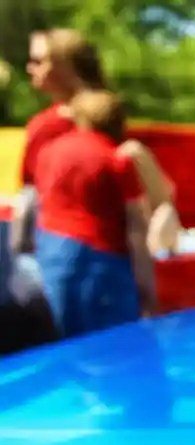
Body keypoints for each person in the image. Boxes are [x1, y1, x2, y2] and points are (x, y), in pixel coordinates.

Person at [33, 90, 156, 337]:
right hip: (103, 264)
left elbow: (38, 203)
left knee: (65, 344)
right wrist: (147, 287)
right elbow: (136, 227)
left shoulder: (47, 153)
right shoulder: (115, 159)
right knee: (118, 348)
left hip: (52, 258)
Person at [11, 28, 108, 256]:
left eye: (38, 61)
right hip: (106, 244)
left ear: (64, 67)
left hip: (55, 244)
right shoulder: (108, 113)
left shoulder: (48, 125)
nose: (30, 68)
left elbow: (30, 193)